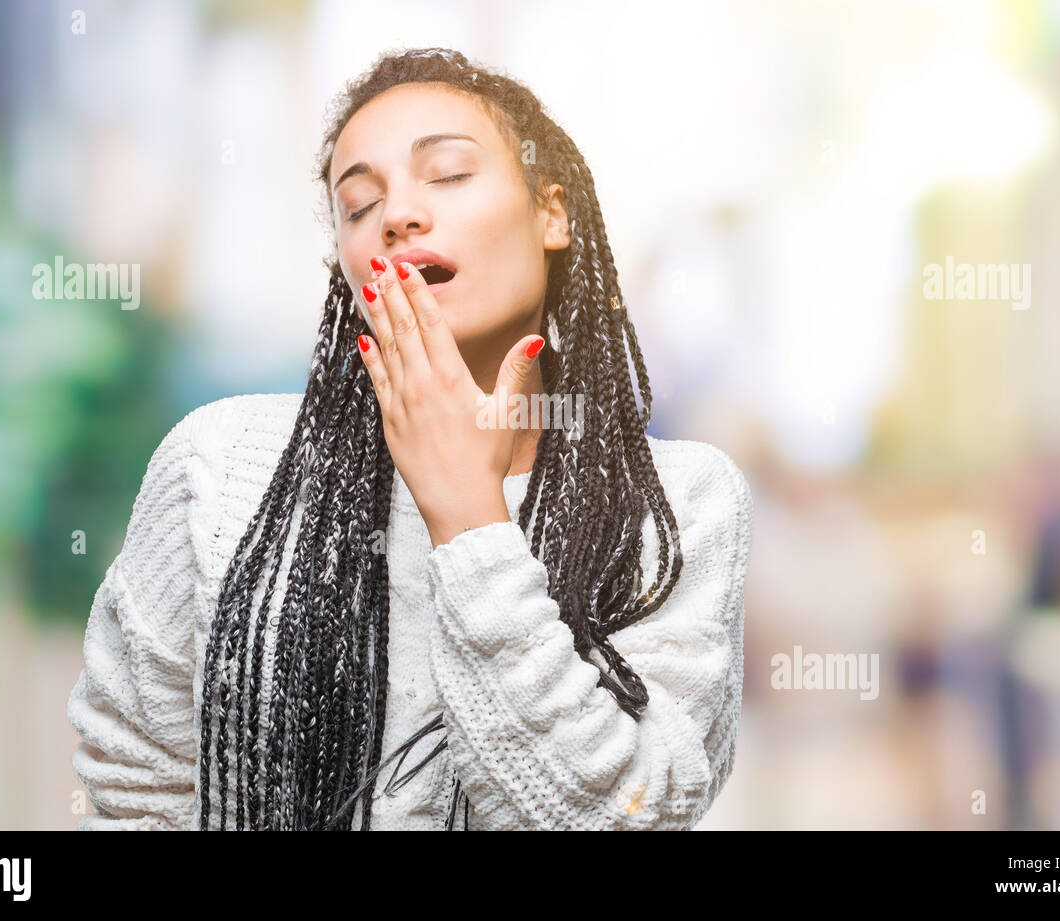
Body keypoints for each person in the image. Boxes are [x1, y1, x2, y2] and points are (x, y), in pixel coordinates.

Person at [67, 47, 755, 831]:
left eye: (451, 174)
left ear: (552, 213)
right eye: (359, 205)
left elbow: (625, 814)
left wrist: (468, 515)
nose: (397, 215)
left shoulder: (682, 505)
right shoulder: (217, 467)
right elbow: (133, 791)